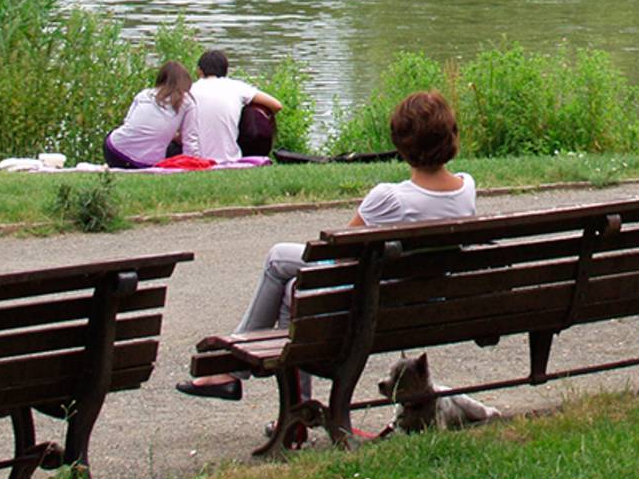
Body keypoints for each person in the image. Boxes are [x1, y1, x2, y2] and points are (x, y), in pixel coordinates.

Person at [177, 90, 476, 401]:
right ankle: (293, 406)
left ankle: (233, 366)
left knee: (278, 258)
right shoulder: (466, 188)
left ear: (401, 144)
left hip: (376, 306)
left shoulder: (390, 197)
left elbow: (338, 253)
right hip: (424, 304)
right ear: (451, 136)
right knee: (295, 287)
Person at [181, 49, 284, 165]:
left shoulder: (188, 91)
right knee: (252, 111)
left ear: (199, 70)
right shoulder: (237, 87)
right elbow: (277, 105)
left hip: (195, 161)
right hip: (230, 159)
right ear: (226, 71)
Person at [104, 60, 192, 168]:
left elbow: (127, 122)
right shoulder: (187, 103)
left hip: (114, 150)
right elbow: (189, 137)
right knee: (176, 148)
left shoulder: (144, 94)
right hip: (145, 162)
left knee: (115, 133)